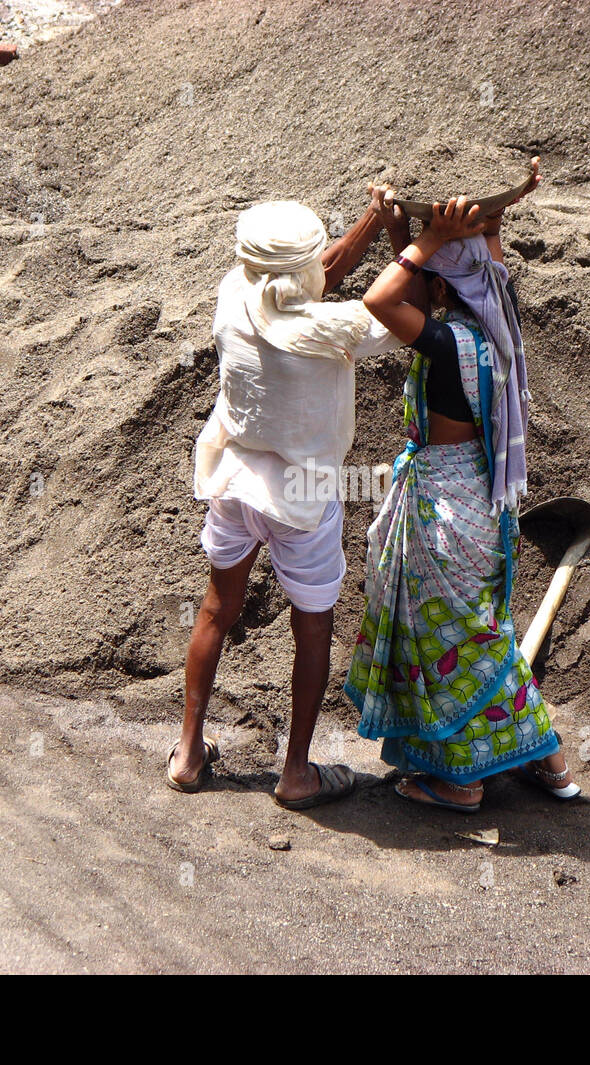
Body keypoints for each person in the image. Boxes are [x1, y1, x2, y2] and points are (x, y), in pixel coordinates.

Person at [345, 159, 582, 812]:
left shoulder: (448, 343)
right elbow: (472, 275)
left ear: (446, 270)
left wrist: (425, 241)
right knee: (486, 640)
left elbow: (382, 301)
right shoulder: (496, 328)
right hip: (483, 505)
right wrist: (428, 233)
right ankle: (553, 765)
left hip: (441, 514)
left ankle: (461, 781)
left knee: (453, 646)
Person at [168, 189, 401, 809]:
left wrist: (371, 220)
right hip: (303, 498)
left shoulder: (230, 293)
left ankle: (188, 753)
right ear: (305, 268)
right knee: (313, 626)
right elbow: (397, 304)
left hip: (234, 480)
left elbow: (305, 278)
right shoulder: (334, 331)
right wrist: (414, 238)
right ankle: (296, 773)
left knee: (217, 608)